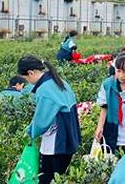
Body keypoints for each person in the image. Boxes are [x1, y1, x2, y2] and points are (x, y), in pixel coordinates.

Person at [18, 55, 81, 184]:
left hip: (57, 142)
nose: (27, 82)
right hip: (69, 137)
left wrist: (29, 132)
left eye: (25, 78)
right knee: (61, 177)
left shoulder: (44, 89)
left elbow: (42, 121)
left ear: (31, 73)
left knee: (47, 177)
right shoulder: (59, 81)